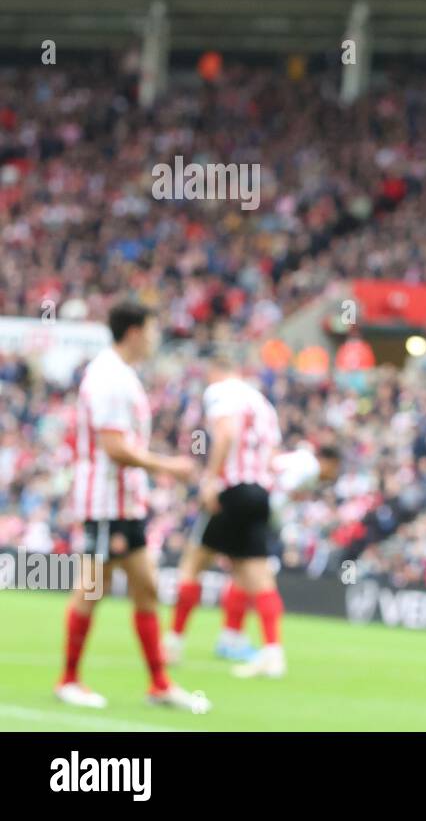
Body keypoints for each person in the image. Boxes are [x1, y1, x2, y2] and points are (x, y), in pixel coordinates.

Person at [56, 300, 207, 711]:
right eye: (154, 328)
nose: (158, 337)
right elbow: (114, 447)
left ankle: (159, 684)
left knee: (146, 586)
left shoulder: (120, 375)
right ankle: (69, 680)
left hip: (125, 503)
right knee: (92, 588)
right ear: (136, 331)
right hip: (107, 503)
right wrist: (168, 466)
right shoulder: (108, 377)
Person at [165, 355, 286, 679]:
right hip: (261, 493)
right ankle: (273, 652)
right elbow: (273, 456)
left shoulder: (220, 391)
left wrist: (211, 480)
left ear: (214, 372)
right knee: (256, 573)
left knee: (193, 563)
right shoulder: (262, 403)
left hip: (232, 490)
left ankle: (173, 642)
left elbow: (227, 433)